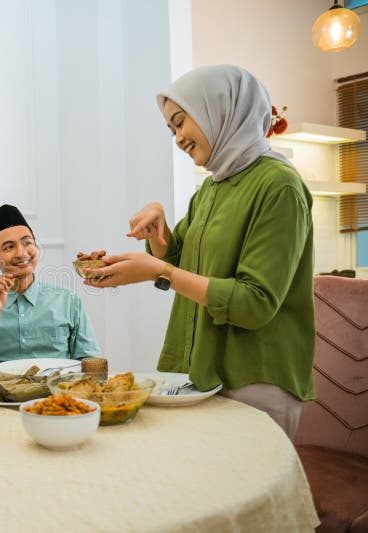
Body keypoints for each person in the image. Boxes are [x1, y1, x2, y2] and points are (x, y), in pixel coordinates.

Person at [83, 65, 315, 438]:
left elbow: (254, 302)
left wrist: (159, 271)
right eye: (171, 129)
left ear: (220, 110)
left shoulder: (279, 187)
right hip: (204, 371)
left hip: (255, 380)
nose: (177, 138)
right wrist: (160, 236)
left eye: (180, 122)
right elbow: (184, 264)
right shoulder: (212, 188)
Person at [0, 204, 100, 370]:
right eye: (9, 247)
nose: (21, 253)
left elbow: (91, 364)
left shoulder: (69, 301)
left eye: (27, 243)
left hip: (55, 394)